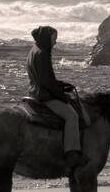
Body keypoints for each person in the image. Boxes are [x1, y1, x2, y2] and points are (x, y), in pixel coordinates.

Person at [27, 26, 88, 171]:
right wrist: (63, 95)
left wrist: (61, 85)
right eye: (54, 39)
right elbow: (47, 82)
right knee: (72, 116)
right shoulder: (42, 53)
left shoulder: (34, 49)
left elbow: (46, 79)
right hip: (43, 94)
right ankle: (71, 153)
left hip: (35, 91)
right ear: (47, 38)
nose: (55, 42)